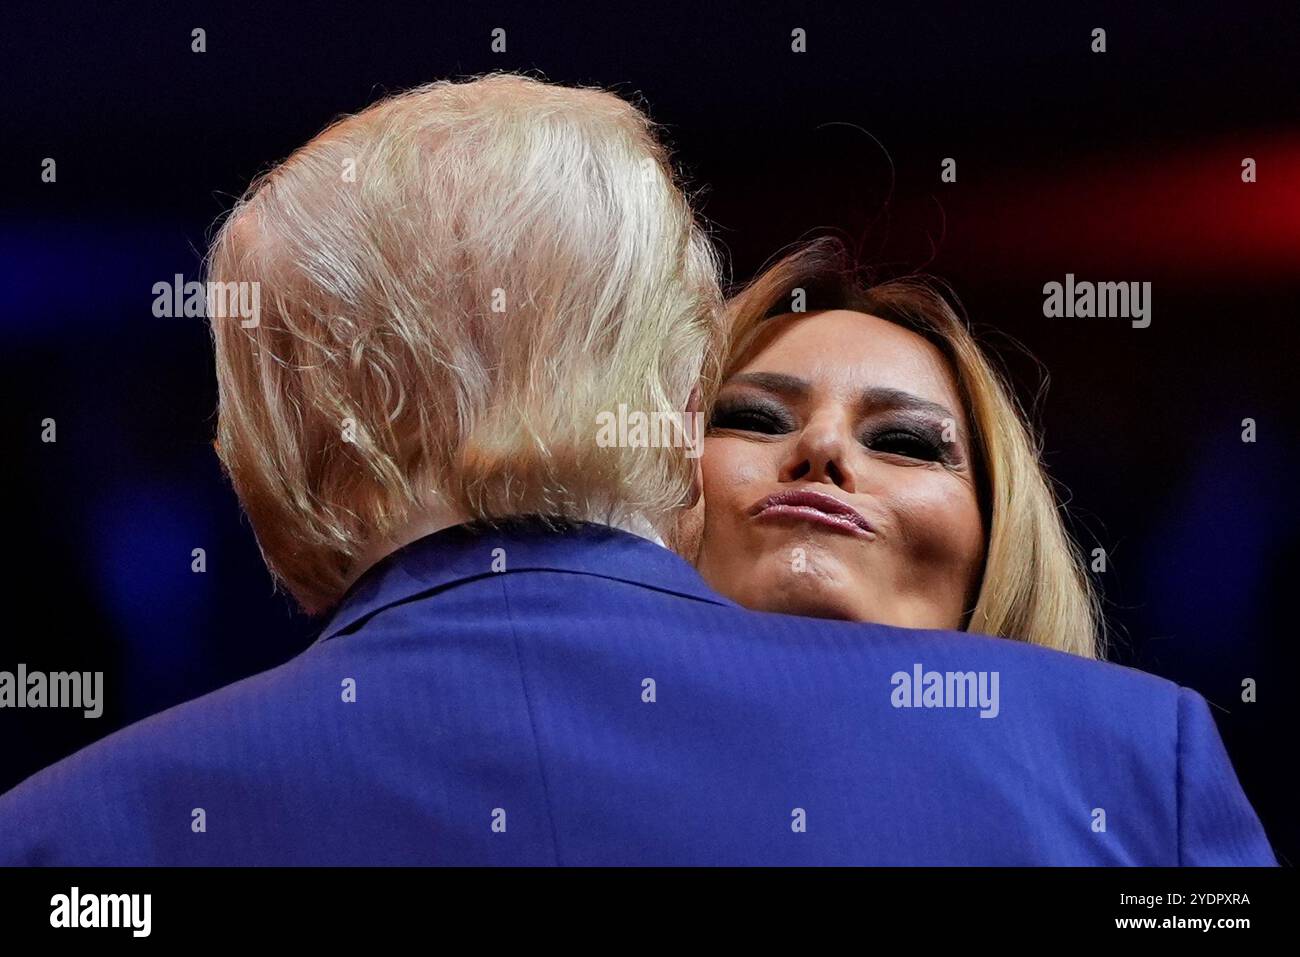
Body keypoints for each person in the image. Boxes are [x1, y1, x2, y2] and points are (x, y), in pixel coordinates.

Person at [0, 75, 1276, 865]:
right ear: (665, 438)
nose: (823, 454)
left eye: (906, 440)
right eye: (749, 412)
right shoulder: (1120, 776)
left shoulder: (76, 836)